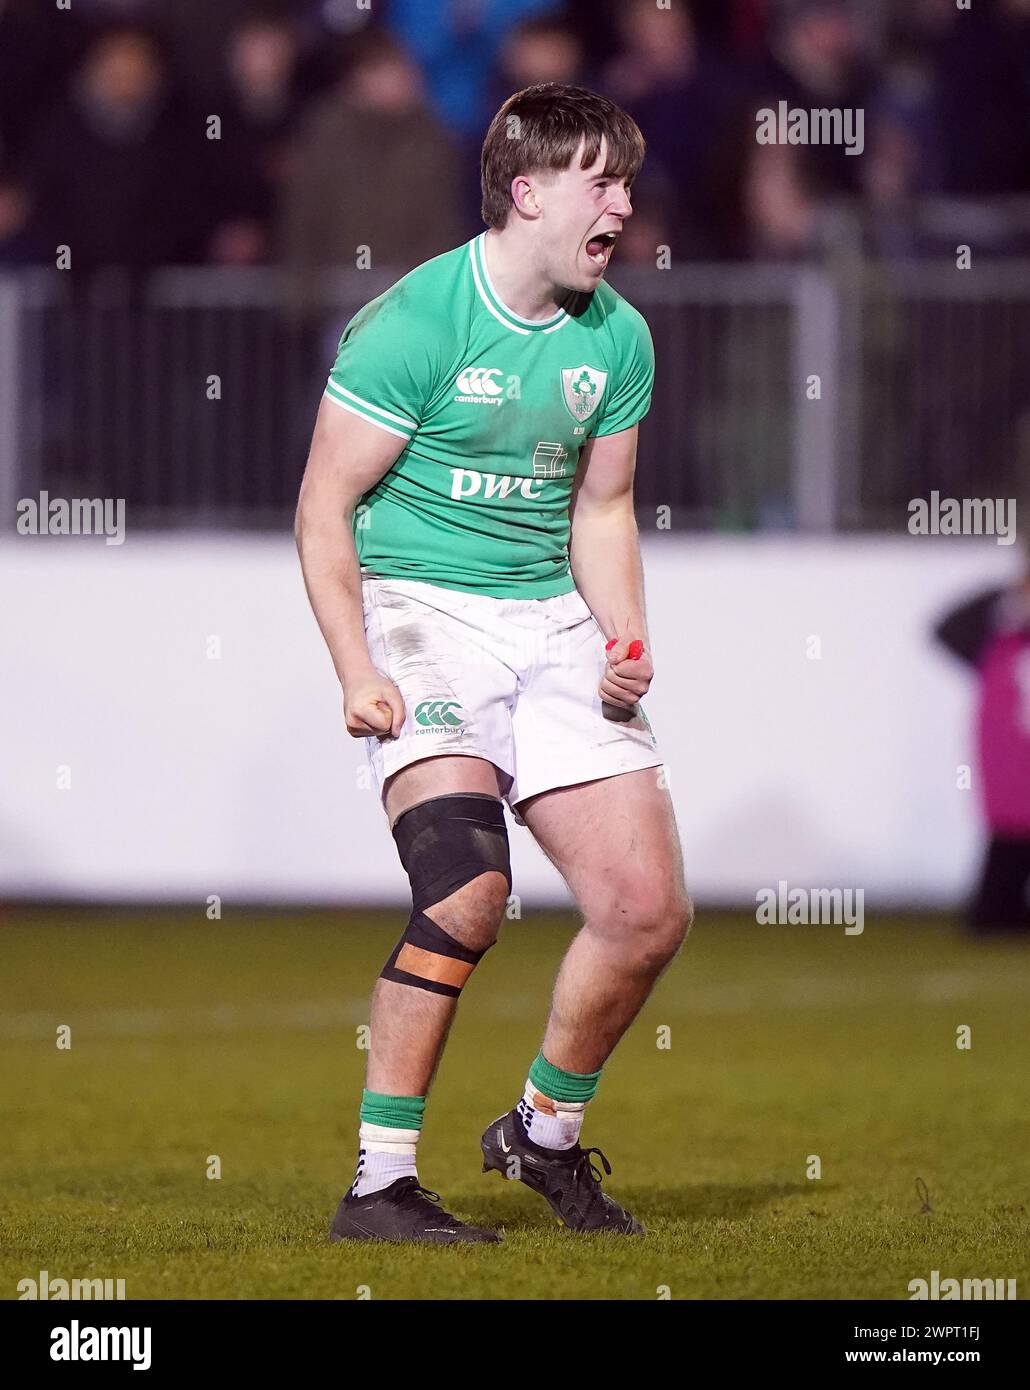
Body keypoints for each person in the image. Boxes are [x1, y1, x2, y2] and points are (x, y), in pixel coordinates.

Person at [295, 82, 692, 1245]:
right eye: (600, 182)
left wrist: (623, 636)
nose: (621, 202)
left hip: (549, 619)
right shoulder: (415, 322)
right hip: (425, 616)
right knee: (468, 895)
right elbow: (325, 511)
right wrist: (354, 665)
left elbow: (602, 507)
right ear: (528, 193)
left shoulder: (618, 335)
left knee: (644, 911)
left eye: (625, 180)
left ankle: (540, 1135)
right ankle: (378, 1186)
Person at [935, 564, 1030, 936]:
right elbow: (946, 629)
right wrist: (1007, 594)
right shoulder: (997, 642)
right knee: (1006, 853)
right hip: (1011, 775)